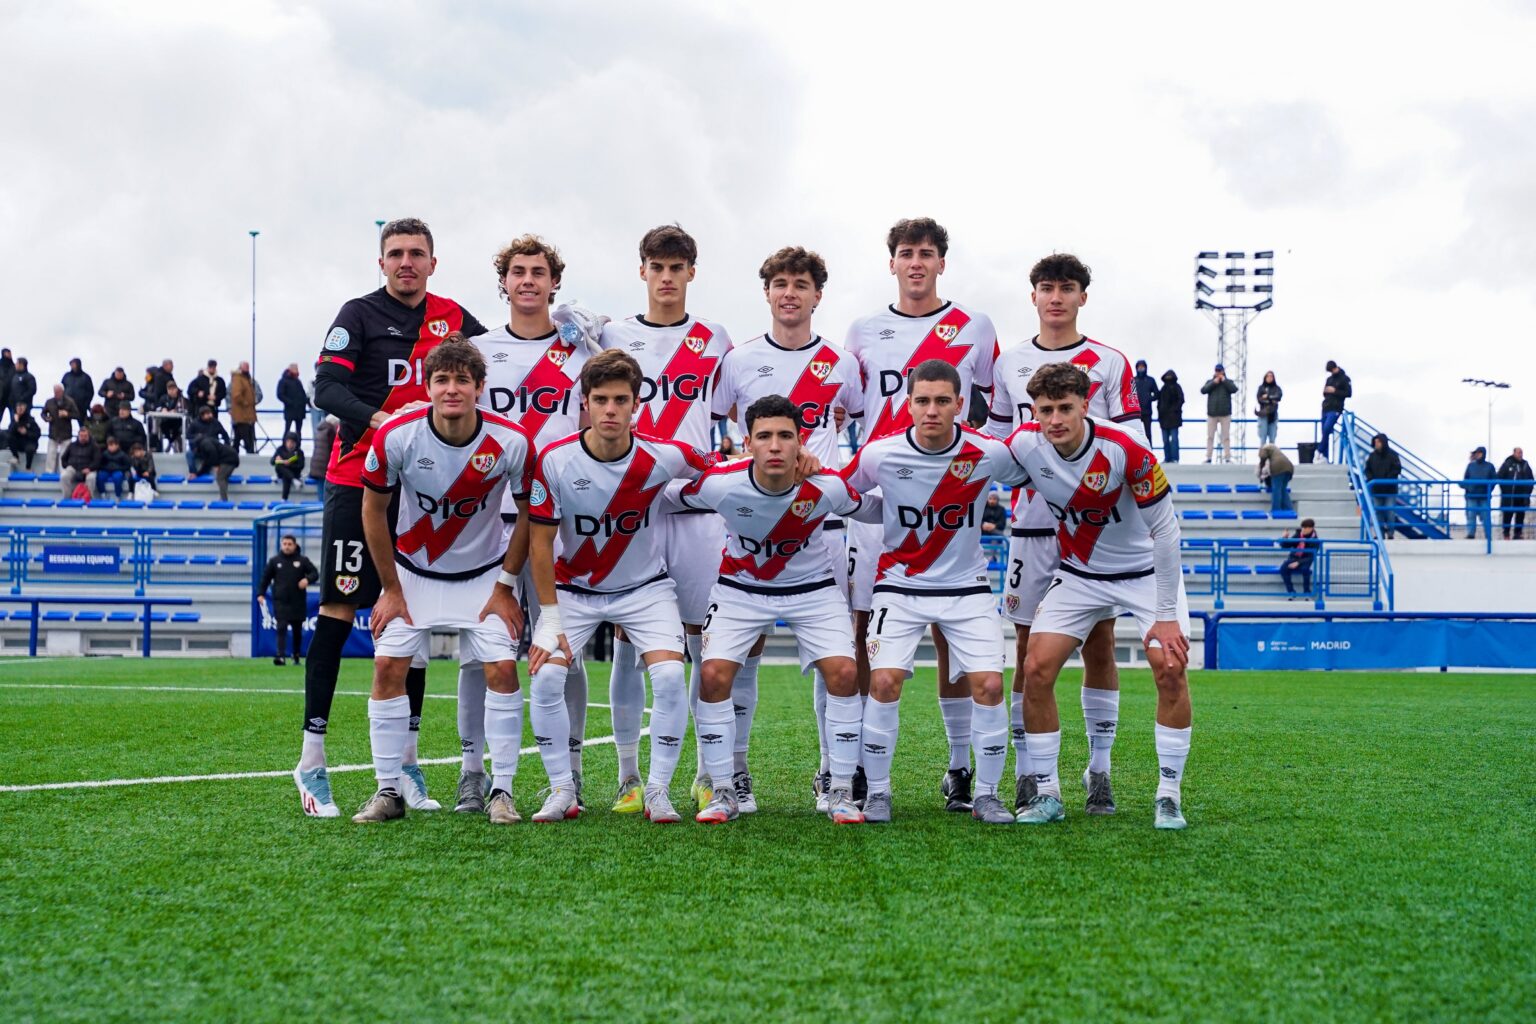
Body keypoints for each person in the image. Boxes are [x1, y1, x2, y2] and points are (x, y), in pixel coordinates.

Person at [297, 216, 486, 819]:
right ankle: (312, 763)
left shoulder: (455, 317)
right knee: (339, 606)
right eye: (396, 253)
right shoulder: (357, 314)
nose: (406, 262)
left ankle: (405, 762)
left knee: (415, 611)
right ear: (381, 262)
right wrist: (384, 420)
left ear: (434, 262)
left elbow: (509, 355)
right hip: (358, 480)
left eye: (417, 254)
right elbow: (324, 388)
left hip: (424, 489)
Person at [525, 349, 718, 824]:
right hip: (574, 591)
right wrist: (550, 622)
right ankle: (562, 789)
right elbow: (540, 545)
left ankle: (657, 791)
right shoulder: (554, 460)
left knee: (672, 678)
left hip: (645, 590)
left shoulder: (663, 454)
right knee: (547, 676)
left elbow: (718, 468)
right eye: (600, 400)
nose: (610, 410)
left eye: (621, 400)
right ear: (584, 403)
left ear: (637, 404)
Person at [844, 217, 998, 814]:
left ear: (941, 263)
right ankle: (854, 767)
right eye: (906, 253)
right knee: (865, 641)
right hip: (884, 495)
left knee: (956, 645)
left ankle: (961, 770)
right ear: (891, 263)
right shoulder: (863, 329)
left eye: (926, 254)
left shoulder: (974, 327)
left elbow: (996, 409)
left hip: (950, 494)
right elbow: (844, 407)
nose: (915, 263)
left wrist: (967, 476)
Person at [353, 337, 535, 825]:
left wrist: (504, 587)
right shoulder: (396, 434)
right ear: (427, 386)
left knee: (502, 670)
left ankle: (501, 791)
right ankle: (388, 790)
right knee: (388, 667)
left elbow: (530, 515)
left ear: (479, 387)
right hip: (413, 576)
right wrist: (391, 589)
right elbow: (372, 509)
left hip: (482, 579)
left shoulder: (512, 440)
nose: (451, 389)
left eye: (462, 380)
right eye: (441, 380)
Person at [986, 252, 1143, 814]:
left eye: (1067, 288)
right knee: (1029, 647)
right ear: (1033, 296)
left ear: (1082, 296)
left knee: (1100, 644)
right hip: (1032, 521)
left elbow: (1133, 442)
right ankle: (1032, 775)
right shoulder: (1010, 361)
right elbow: (999, 438)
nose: (1056, 297)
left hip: (1095, 526)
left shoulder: (1108, 361)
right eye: (1046, 287)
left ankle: (1099, 771)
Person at [1005, 362, 1193, 830]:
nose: (1055, 420)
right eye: (1045, 410)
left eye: (1065, 408)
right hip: (1079, 574)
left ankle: (1168, 794)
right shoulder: (1026, 443)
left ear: (1086, 405)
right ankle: (1047, 792)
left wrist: (1166, 616)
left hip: (1145, 574)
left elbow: (1167, 532)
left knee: (1169, 667)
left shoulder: (1128, 449)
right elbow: (966, 456)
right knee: (1035, 667)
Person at [711, 245, 864, 811]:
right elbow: (723, 431)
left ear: (817, 295)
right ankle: (737, 774)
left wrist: (829, 472)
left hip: (818, 527)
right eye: (779, 283)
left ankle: (830, 776)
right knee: (740, 653)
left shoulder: (843, 364)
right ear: (767, 293)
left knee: (834, 661)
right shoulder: (739, 361)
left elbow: (862, 437)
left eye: (801, 284)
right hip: (754, 522)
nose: (790, 293)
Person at [843, 359, 1024, 825]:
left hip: (967, 589)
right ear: (908, 405)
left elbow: (1036, 472)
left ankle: (985, 793)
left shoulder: (988, 453)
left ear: (960, 405)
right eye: (922, 400)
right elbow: (842, 493)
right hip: (899, 586)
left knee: (988, 683)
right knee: (883, 681)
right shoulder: (880, 454)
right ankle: (879, 791)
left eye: (943, 401)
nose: (932, 410)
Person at [598, 224, 736, 816]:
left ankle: (709, 774)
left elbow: (734, 414)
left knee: (705, 643)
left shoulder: (714, 338)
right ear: (642, 271)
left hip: (697, 506)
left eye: (677, 267)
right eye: (657, 266)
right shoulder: (613, 334)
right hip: (636, 505)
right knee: (630, 641)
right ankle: (629, 777)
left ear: (691, 274)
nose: (667, 277)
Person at [463, 233, 601, 815]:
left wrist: (586, 326)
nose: (527, 280)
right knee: (480, 650)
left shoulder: (581, 350)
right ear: (503, 282)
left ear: (553, 281)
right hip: (487, 520)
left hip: (559, 520)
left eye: (538, 271)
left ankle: (568, 770)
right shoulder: (476, 350)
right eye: (517, 271)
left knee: (560, 645)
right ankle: (473, 771)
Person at [679, 394, 864, 823]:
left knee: (845, 671)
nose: (775, 446)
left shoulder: (827, 484)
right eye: (764, 436)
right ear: (748, 442)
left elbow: (868, 506)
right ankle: (724, 789)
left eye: (786, 436)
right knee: (712, 673)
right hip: (740, 589)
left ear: (802, 442)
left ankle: (839, 789)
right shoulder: (721, 482)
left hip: (813, 589)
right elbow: (670, 497)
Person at [258, 534, 319, 667]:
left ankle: (296, 655)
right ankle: (280, 656)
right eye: (284, 544)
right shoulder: (275, 561)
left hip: (297, 601)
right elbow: (265, 578)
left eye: (289, 544)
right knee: (281, 627)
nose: (286, 546)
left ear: (294, 545)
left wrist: (307, 579)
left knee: (297, 631)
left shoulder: (302, 560)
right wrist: (260, 593)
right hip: (281, 601)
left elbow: (315, 573)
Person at [1364, 433, 1402, 538]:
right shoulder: (1372, 456)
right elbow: (1367, 470)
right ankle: (1380, 534)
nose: (1376, 444)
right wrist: (1372, 479)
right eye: (1375, 442)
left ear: (1383, 442)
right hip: (1376, 490)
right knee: (1378, 512)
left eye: (1378, 442)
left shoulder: (1393, 455)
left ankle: (1390, 533)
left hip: (1390, 490)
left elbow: (1397, 469)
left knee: (1390, 511)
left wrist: (1386, 480)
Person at [192, 417, 239, 501]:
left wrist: (216, 465)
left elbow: (212, 454)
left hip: (229, 459)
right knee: (223, 477)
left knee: (220, 478)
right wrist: (198, 474)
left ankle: (223, 500)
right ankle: (223, 498)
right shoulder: (207, 442)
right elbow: (207, 462)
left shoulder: (205, 443)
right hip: (232, 457)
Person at [1200, 363, 1238, 463]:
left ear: (1223, 371)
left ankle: (1227, 457)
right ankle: (1208, 457)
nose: (1218, 373)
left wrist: (1224, 381)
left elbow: (1234, 389)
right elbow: (1203, 390)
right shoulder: (1210, 381)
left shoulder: (1228, 382)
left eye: (1220, 371)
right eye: (1217, 371)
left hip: (1225, 414)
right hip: (1212, 414)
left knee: (1226, 437)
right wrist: (1214, 382)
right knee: (1210, 436)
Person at [41, 385, 80, 473]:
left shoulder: (70, 401)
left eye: (58, 392)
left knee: (64, 455)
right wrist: (46, 418)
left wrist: (67, 414)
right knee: (51, 454)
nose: (56, 394)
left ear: (62, 391)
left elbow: (77, 414)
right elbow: (43, 413)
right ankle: (49, 473)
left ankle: (64, 473)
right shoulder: (49, 402)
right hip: (53, 432)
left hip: (66, 433)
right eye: (55, 392)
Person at [1318, 360, 1351, 462]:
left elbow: (1348, 393)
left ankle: (1318, 450)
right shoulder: (1329, 379)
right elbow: (1325, 393)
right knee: (1324, 432)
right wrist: (1326, 391)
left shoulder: (1345, 379)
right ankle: (1325, 457)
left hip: (1336, 408)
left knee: (1327, 428)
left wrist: (1335, 391)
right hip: (1326, 407)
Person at [1497, 447, 1532, 540]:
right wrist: (1505, 489)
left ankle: (1518, 533)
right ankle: (1506, 534)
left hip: (1522, 496)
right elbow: (1499, 476)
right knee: (1507, 515)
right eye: (1519, 452)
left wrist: (1527, 492)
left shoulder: (1525, 464)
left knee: (1520, 515)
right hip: (1509, 496)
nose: (1520, 454)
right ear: (1514, 453)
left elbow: (1531, 479)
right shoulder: (1507, 463)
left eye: (1521, 452)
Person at [1462, 446, 1496, 540]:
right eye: (1476, 453)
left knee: (1486, 517)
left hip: (1484, 496)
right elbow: (1465, 479)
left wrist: (1488, 490)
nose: (1477, 454)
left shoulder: (1490, 466)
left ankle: (1488, 536)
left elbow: (1494, 480)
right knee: (1471, 516)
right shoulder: (1471, 466)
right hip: (1472, 496)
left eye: (1479, 453)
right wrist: (1469, 488)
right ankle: (1471, 534)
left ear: (1483, 453)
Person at [1280, 518, 1319, 598]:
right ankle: (1291, 592)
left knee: (1305, 570)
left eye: (1305, 528)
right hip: (1294, 558)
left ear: (1311, 528)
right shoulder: (1298, 535)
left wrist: (1298, 563)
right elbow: (1285, 546)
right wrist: (1285, 538)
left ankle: (1307, 592)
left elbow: (1311, 556)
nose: (1303, 529)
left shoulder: (1315, 540)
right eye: (1302, 527)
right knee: (1283, 568)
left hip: (1305, 560)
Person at [186, 405, 229, 474]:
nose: (210, 415)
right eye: (207, 414)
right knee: (189, 454)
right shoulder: (195, 423)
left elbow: (225, 435)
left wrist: (227, 446)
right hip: (198, 448)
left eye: (210, 413)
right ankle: (193, 472)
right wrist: (197, 436)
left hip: (213, 447)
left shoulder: (215, 423)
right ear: (202, 415)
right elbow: (188, 435)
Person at [59, 426, 100, 497]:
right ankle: (67, 499)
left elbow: (97, 461)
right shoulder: (72, 445)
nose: (83, 437)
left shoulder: (94, 446)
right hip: (73, 468)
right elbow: (63, 458)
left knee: (91, 478)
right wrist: (68, 466)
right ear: (78, 436)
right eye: (81, 436)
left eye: (85, 436)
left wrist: (90, 468)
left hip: (89, 469)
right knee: (64, 476)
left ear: (88, 436)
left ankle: (88, 499)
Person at [229, 361, 259, 454]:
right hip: (242, 415)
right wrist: (246, 403)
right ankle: (249, 453)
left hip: (247, 414)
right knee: (246, 436)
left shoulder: (247, 379)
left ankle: (234, 453)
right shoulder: (238, 379)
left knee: (238, 437)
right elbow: (236, 395)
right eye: (246, 367)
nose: (248, 369)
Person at [150, 381, 187, 452]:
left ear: (176, 389)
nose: (171, 391)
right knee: (163, 425)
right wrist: (162, 409)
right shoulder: (163, 398)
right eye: (169, 389)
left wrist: (175, 411)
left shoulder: (181, 398)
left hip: (178, 421)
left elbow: (184, 409)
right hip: (167, 420)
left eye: (173, 389)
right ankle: (171, 441)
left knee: (177, 427)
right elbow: (157, 407)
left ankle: (171, 443)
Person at [1257, 443, 1294, 513]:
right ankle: (1289, 509)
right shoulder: (1275, 450)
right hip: (1289, 467)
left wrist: (1261, 474)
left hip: (1278, 468)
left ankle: (1276, 509)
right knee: (1282, 489)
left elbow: (1263, 460)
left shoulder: (1264, 449)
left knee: (1276, 489)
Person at [1157, 369, 1184, 463]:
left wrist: (1175, 410)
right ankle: (1167, 458)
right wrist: (1160, 414)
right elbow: (1159, 403)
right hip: (1164, 419)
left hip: (1174, 419)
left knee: (1174, 440)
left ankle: (1175, 458)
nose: (1169, 378)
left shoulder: (1177, 387)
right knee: (1165, 440)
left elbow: (1181, 400)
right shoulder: (1163, 389)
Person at [277, 363, 309, 441]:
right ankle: (285, 447)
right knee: (287, 430)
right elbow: (280, 394)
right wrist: (289, 402)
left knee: (299, 431)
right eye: (295, 369)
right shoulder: (283, 381)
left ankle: (297, 447)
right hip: (290, 410)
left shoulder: (298, 381)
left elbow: (302, 393)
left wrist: (306, 401)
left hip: (300, 410)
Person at [270, 432, 305, 501]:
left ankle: (284, 498)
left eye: (292, 442)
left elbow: (301, 465)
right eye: (288, 442)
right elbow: (272, 462)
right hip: (282, 471)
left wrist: (290, 465)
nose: (289, 444)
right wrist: (276, 459)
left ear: (296, 443)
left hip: (294, 472)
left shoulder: (299, 452)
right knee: (279, 466)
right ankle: (293, 480)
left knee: (285, 476)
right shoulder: (280, 449)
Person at [309, 415, 336, 504]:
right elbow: (332, 448)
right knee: (325, 492)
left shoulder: (320, 429)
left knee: (320, 490)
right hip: (324, 465)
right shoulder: (330, 431)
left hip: (317, 464)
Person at [1132, 359, 1159, 440]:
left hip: (1147, 411)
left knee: (1148, 434)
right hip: (1135, 412)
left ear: (1145, 368)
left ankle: (1149, 451)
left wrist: (1149, 398)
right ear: (1136, 368)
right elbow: (1128, 394)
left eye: (1142, 367)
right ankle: (1137, 452)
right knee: (1135, 434)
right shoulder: (1133, 380)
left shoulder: (1151, 380)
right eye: (1139, 367)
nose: (1141, 368)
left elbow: (1157, 394)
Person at [1255, 370, 1282, 448]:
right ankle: (1263, 457)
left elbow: (1278, 397)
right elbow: (1259, 399)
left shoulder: (1277, 388)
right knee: (1262, 439)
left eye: (1271, 376)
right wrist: (1271, 400)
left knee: (1272, 439)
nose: (1270, 378)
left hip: (1273, 415)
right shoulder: (1261, 388)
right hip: (1263, 414)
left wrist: (1268, 397)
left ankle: (1271, 458)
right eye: (1268, 376)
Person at [7, 402, 38, 469]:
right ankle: (15, 457)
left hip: (29, 442)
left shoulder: (31, 420)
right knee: (9, 437)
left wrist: (26, 432)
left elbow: (37, 434)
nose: (20, 409)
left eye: (22, 407)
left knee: (30, 448)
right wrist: (16, 422)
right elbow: (10, 431)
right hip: (19, 442)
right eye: (18, 407)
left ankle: (28, 467)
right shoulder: (15, 420)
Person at [8, 357, 36, 423]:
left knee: (23, 424)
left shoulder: (29, 377)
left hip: (24, 406)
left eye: (17, 363)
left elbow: (32, 390)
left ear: (21, 364)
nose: (15, 365)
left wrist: (22, 399)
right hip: (14, 405)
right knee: (14, 424)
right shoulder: (14, 376)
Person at [0, 348, 13, 427]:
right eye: (8, 353)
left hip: (11, 398)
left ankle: (13, 438)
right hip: (1, 398)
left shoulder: (14, 367)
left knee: (14, 421)